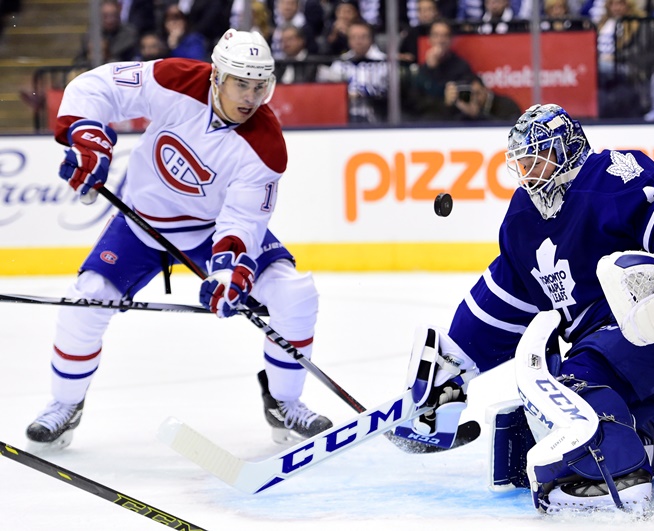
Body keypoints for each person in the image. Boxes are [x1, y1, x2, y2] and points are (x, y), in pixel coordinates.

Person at [25, 28, 332, 452]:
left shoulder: (265, 146)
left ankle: (285, 401)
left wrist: (229, 272)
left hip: (207, 231)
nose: (250, 96)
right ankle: (64, 405)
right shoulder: (177, 80)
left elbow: (242, 220)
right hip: (140, 221)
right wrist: (87, 134)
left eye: (259, 85)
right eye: (241, 82)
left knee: (294, 292)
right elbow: (95, 86)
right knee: (88, 298)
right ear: (217, 77)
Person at [402, 103, 654, 513]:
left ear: (568, 149)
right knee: (534, 417)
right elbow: (507, 290)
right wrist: (453, 361)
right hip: (621, 351)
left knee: (566, 391)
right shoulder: (523, 218)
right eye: (522, 160)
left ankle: (616, 476)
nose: (529, 169)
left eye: (539, 155)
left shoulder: (609, 175)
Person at [403, 19, 477, 121]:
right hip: (428, 121)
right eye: (436, 35)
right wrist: (431, 68)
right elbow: (415, 101)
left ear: (451, 40)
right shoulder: (423, 70)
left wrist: (453, 98)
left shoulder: (461, 66)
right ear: (429, 39)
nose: (440, 40)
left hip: (455, 121)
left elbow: (465, 97)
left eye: (444, 36)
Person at [317, 20, 388, 123]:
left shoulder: (383, 62)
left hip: (379, 118)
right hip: (345, 118)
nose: (358, 41)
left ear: (371, 39)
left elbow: (387, 91)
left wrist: (361, 95)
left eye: (363, 37)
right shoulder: (341, 62)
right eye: (354, 37)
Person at [74, 0, 139, 65]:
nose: (109, 20)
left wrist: (107, 53)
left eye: (113, 15)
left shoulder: (130, 34)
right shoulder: (90, 35)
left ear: (119, 13)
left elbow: (132, 60)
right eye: (105, 16)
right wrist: (90, 57)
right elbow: (78, 61)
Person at [443, 76, 521, 121]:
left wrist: (477, 115)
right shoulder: (464, 111)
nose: (475, 99)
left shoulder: (506, 105)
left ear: (485, 90)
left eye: (477, 93)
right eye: (471, 95)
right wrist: (448, 105)